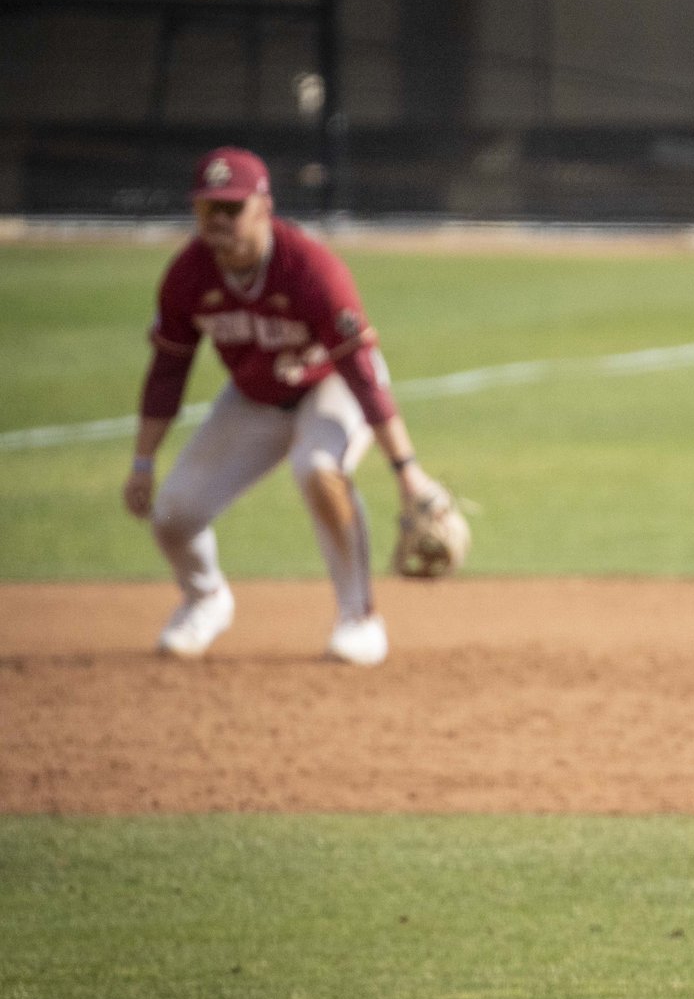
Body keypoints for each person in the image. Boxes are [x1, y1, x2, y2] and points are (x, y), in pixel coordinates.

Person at [121, 147, 451, 666]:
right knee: (174, 514)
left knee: (317, 468)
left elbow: (362, 373)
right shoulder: (188, 275)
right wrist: (143, 462)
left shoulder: (310, 269)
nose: (219, 220)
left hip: (332, 386)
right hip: (254, 400)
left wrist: (408, 472)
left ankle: (359, 619)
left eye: (232, 208)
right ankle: (205, 600)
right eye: (209, 208)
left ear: (262, 207)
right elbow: (168, 370)